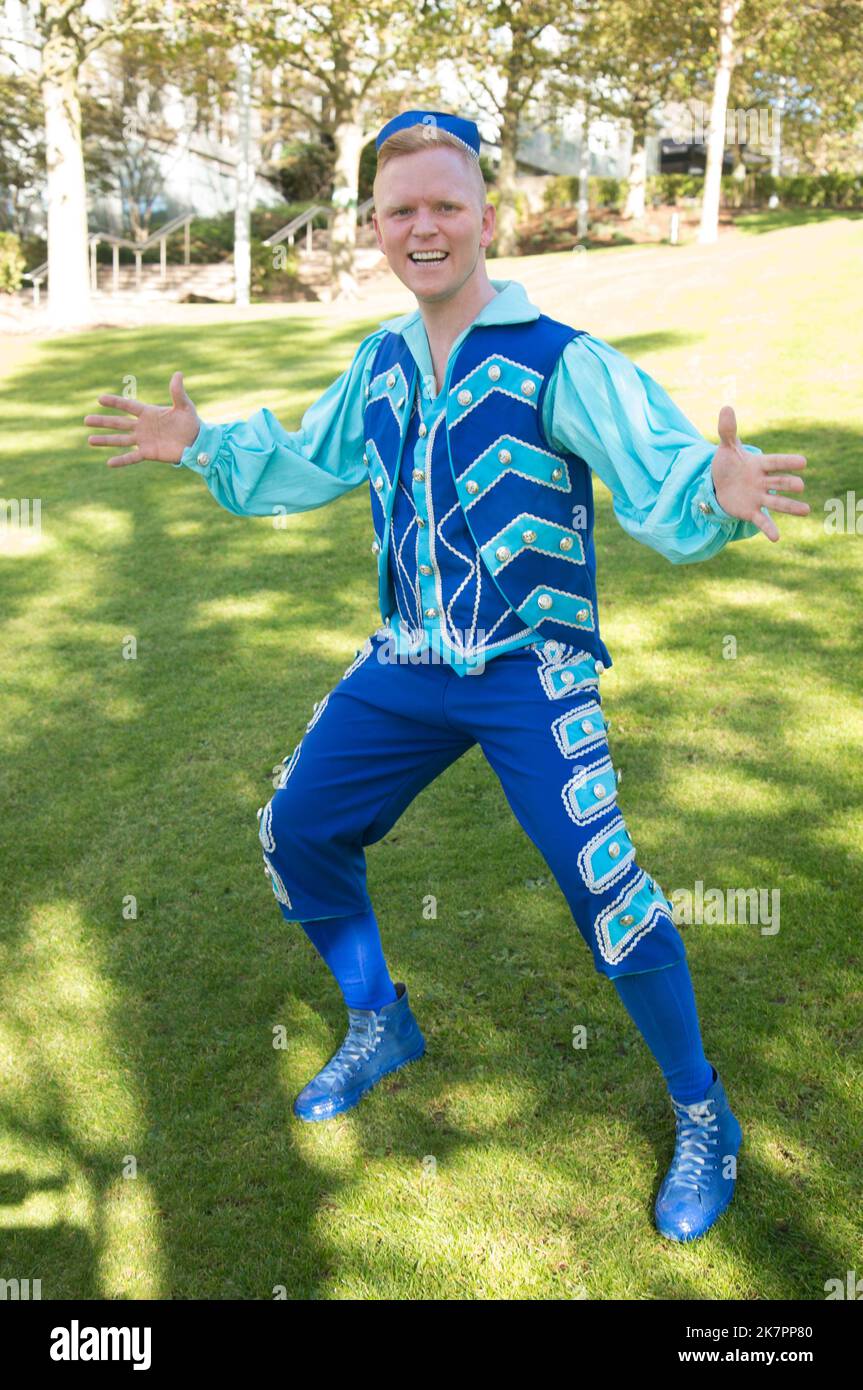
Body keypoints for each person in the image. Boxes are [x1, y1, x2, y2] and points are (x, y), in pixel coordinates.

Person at [85, 109, 808, 1242]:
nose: (423, 228)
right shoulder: (376, 362)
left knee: (607, 895)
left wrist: (713, 493)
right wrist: (203, 445)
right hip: (408, 660)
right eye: (399, 210)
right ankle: (381, 1019)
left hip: (532, 672)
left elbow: (659, 471)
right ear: (375, 226)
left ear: (485, 219)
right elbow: (305, 457)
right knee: (293, 828)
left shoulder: (558, 360)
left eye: (444, 206)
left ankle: (699, 1108)